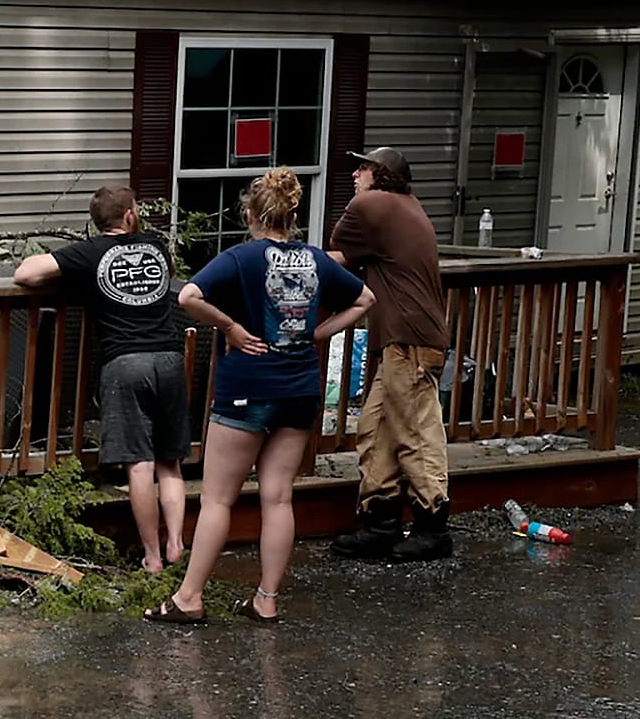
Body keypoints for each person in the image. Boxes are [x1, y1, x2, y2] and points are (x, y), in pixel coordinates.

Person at [144, 168, 374, 624]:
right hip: (299, 389)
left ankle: (189, 597)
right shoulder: (316, 260)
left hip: (247, 388)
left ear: (250, 213)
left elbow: (188, 296)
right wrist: (318, 333)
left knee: (218, 499)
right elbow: (365, 298)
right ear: (292, 216)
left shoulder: (243, 258)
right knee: (278, 497)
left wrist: (229, 326)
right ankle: (266, 599)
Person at [14, 185, 190, 573]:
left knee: (139, 465)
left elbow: (25, 273)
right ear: (129, 215)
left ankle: (153, 557)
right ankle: (177, 544)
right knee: (170, 463)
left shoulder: (91, 253)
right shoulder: (157, 247)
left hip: (124, 363)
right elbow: (170, 276)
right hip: (169, 358)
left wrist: (74, 277)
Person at [327, 146, 455, 562]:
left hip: (411, 341)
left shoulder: (373, 204)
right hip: (401, 341)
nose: (355, 175)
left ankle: (433, 526)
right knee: (377, 428)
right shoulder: (405, 206)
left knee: (415, 431)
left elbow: (338, 252)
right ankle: (380, 521)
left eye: (362, 168)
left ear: (381, 174)